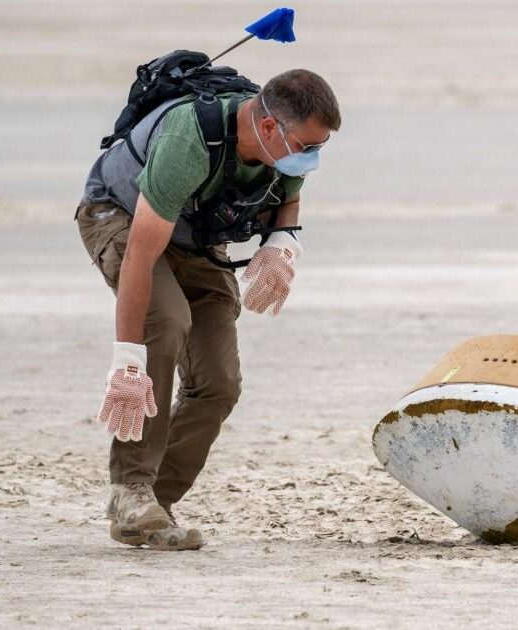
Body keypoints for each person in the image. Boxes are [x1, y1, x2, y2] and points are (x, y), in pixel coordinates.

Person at [76, 69, 341, 550]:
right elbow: (140, 253)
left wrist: (282, 245)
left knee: (218, 382)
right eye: (307, 144)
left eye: (320, 147)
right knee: (167, 320)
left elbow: (288, 196)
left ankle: (153, 503)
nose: (312, 157)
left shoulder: (281, 149)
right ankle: (131, 489)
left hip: (195, 238)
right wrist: (128, 362)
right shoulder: (189, 141)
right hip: (124, 219)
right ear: (267, 127)